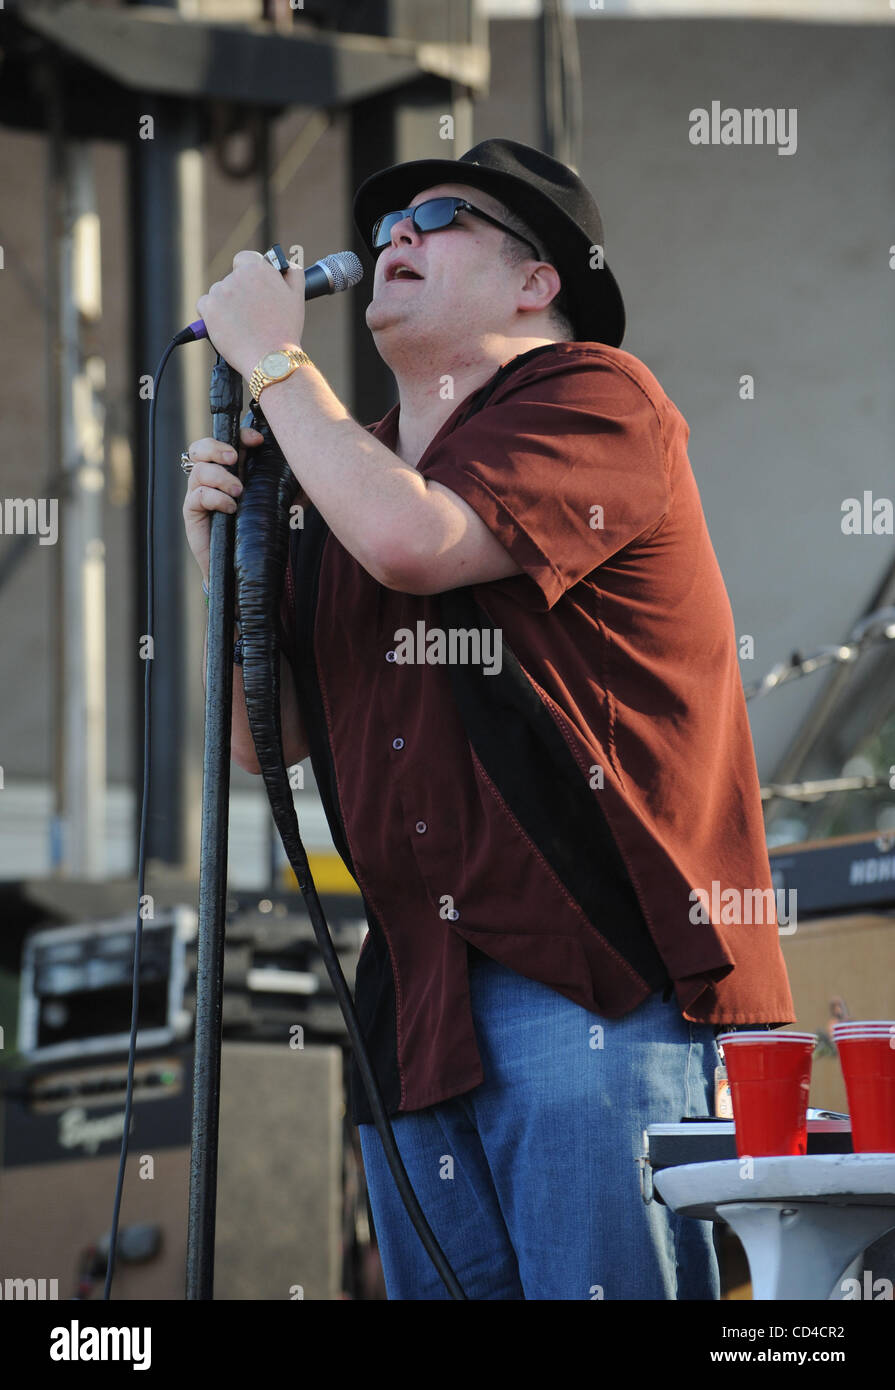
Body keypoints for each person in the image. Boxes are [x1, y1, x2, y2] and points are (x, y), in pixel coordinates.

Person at [182, 138, 795, 1300]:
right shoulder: (342, 470)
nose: (392, 239)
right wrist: (225, 558)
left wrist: (270, 359)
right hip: (413, 1009)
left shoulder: (594, 394)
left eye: (439, 215)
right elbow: (267, 741)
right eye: (384, 228)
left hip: (592, 983)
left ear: (536, 281)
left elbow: (422, 544)